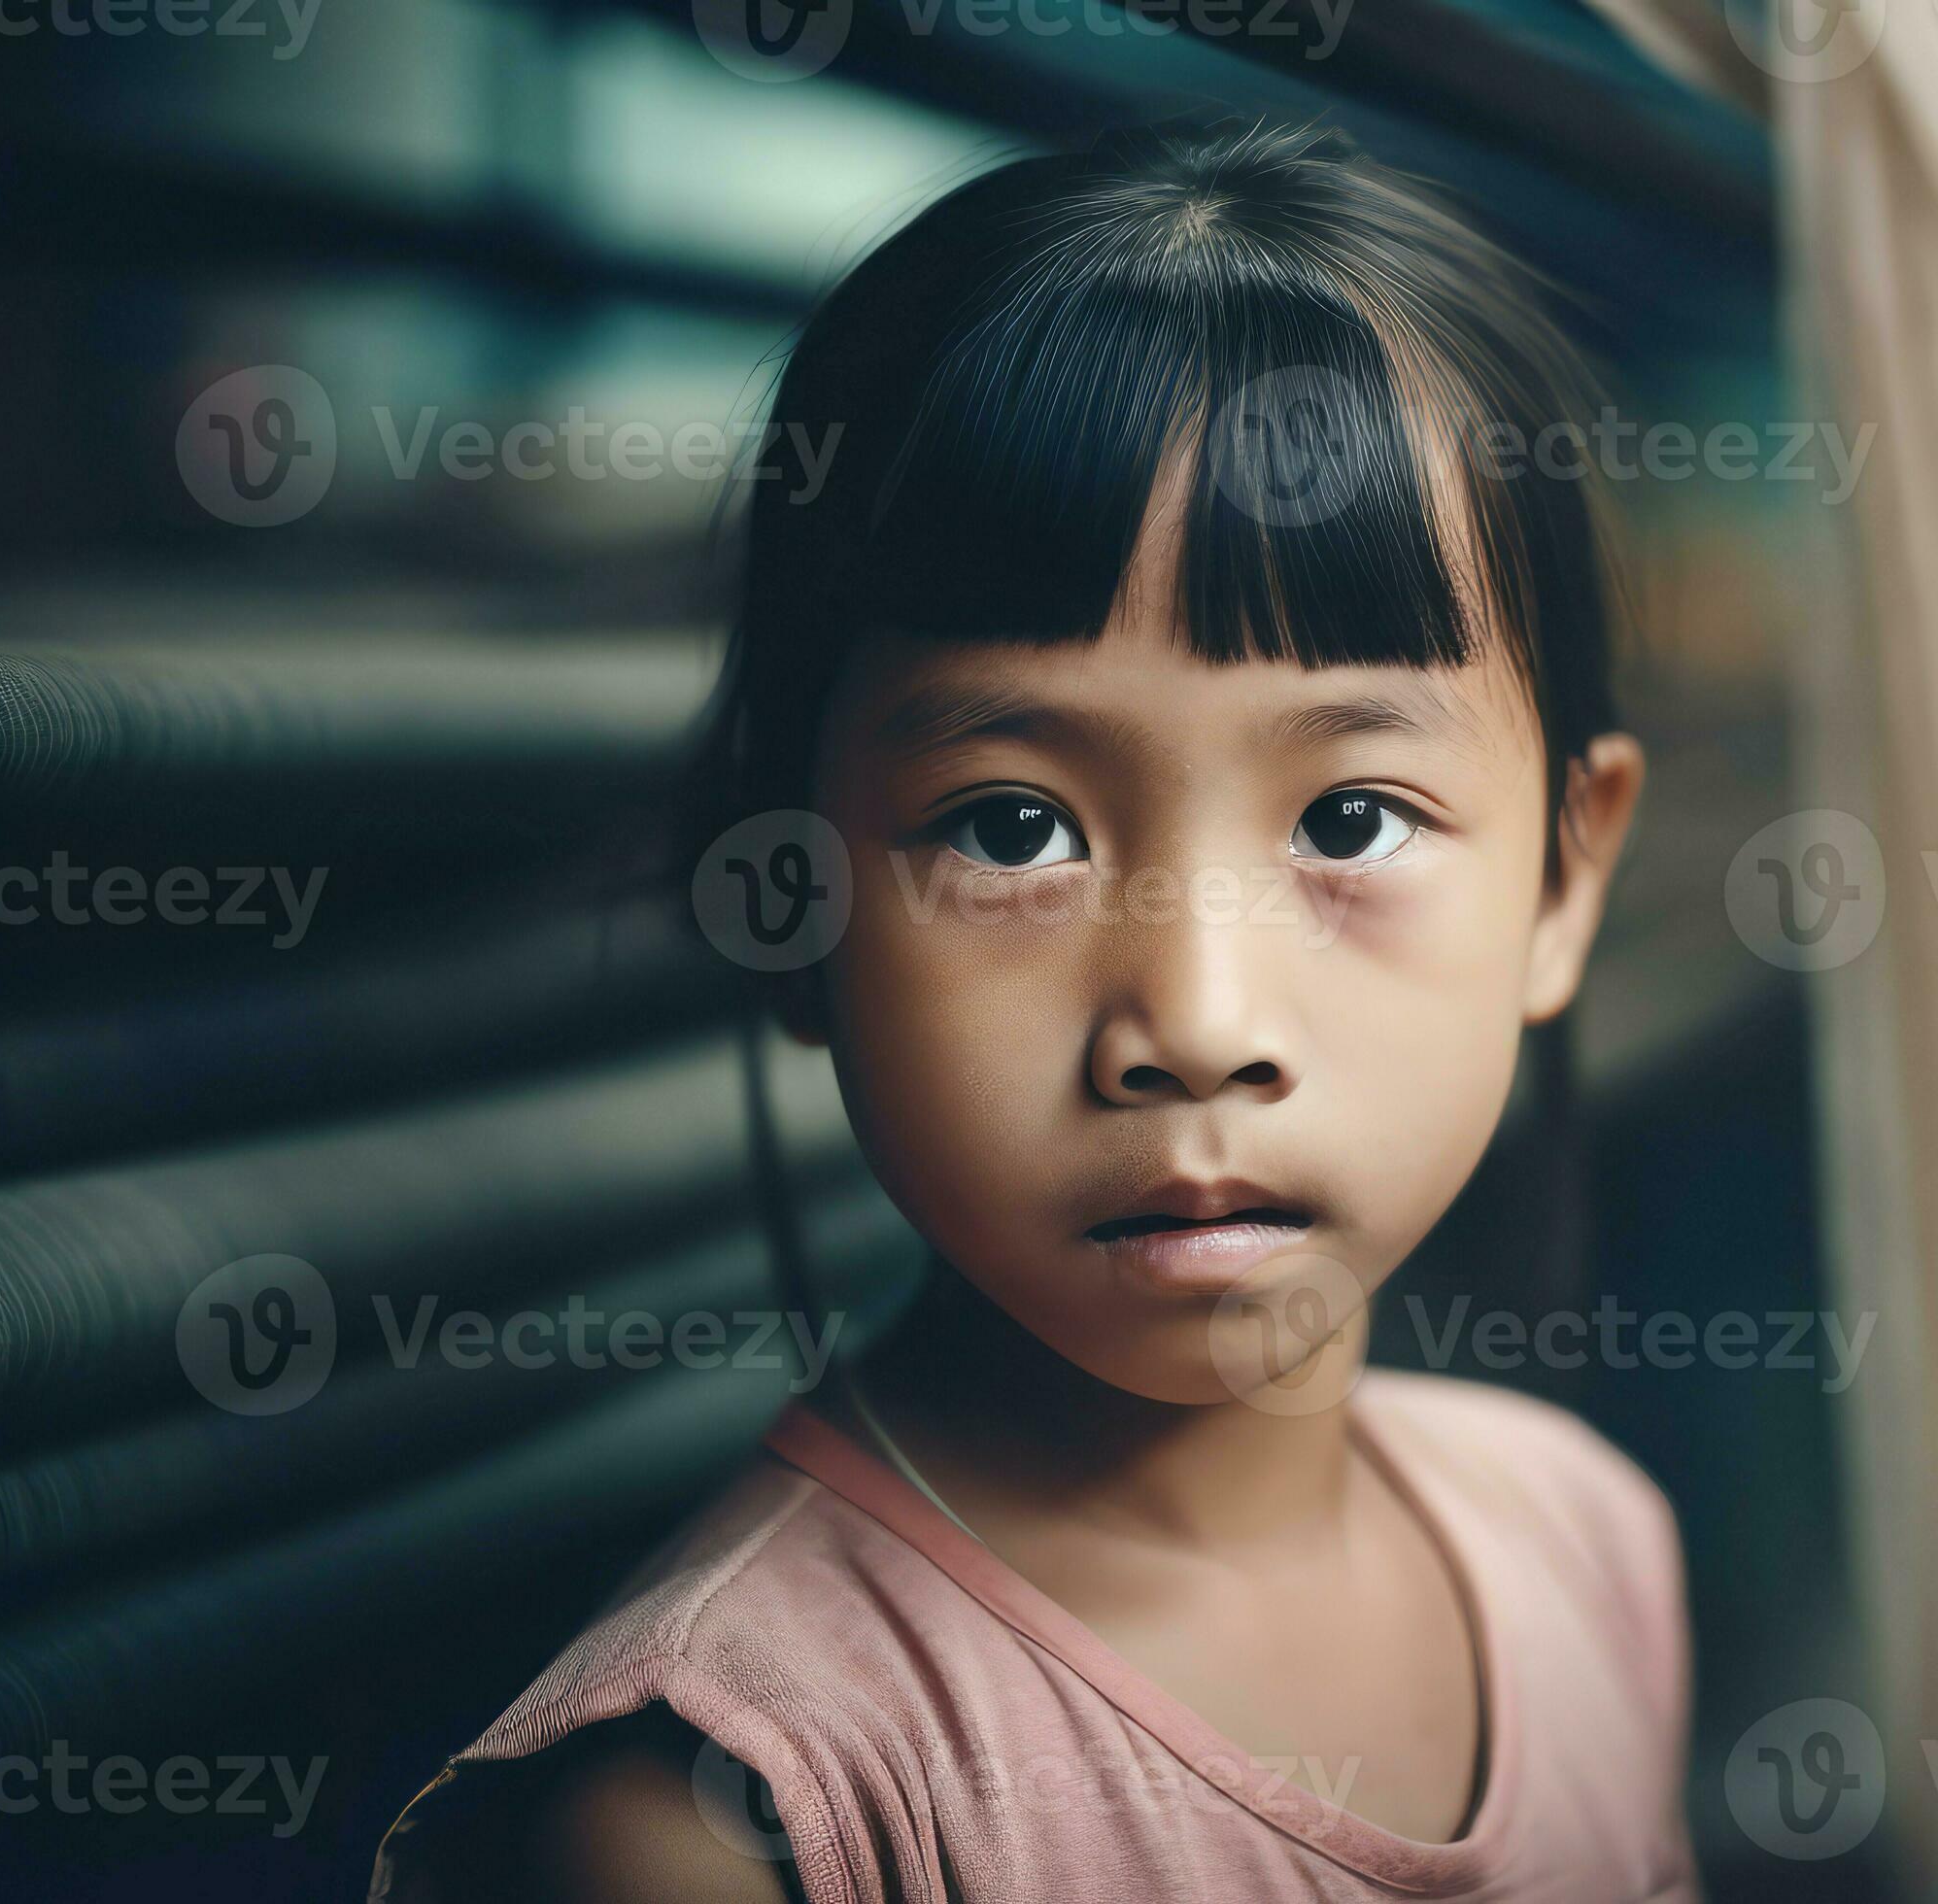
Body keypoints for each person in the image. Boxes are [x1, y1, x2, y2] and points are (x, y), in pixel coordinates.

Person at [368, 116, 1695, 1903]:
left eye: (1351, 820)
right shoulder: (743, 1826)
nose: (1196, 1023)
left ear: (1561, 880)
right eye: (1014, 828)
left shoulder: (1584, 1541)